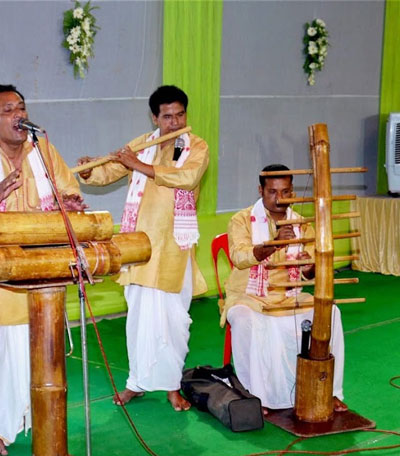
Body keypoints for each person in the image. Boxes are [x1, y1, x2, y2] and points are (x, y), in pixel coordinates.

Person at [0, 84, 86, 456]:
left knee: (38, 354)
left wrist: (70, 204)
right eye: (8, 110)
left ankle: (36, 417)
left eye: (21, 107)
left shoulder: (44, 152)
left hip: (36, 272)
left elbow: (67, 190)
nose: (18, 115)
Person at [77, 85, 209, 412]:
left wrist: (137, 164)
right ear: (155, 117)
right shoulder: (144, 144)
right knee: (138, 319)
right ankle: (136, 384)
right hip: (139, 246)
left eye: (180, 114)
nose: (175, 122)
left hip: (174, 247)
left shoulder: (196, 146)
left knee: (174, 322)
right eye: (167, 116)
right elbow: (114, 169)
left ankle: (172, 386)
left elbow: (187, 178)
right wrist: (92, 169)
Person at [222, 164, 346, 413]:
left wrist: (312, 263)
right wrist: (275, 244)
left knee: (331, 313)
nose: (280, 199)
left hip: (289, 294)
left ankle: (329, 390)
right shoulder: (242, 220)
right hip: (248, 295)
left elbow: (307, 273)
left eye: (286, 191)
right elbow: (239, 257)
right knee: (245, 320)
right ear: (260, 190)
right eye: (272, 192)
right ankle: (253, 394)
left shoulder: (301, 223)